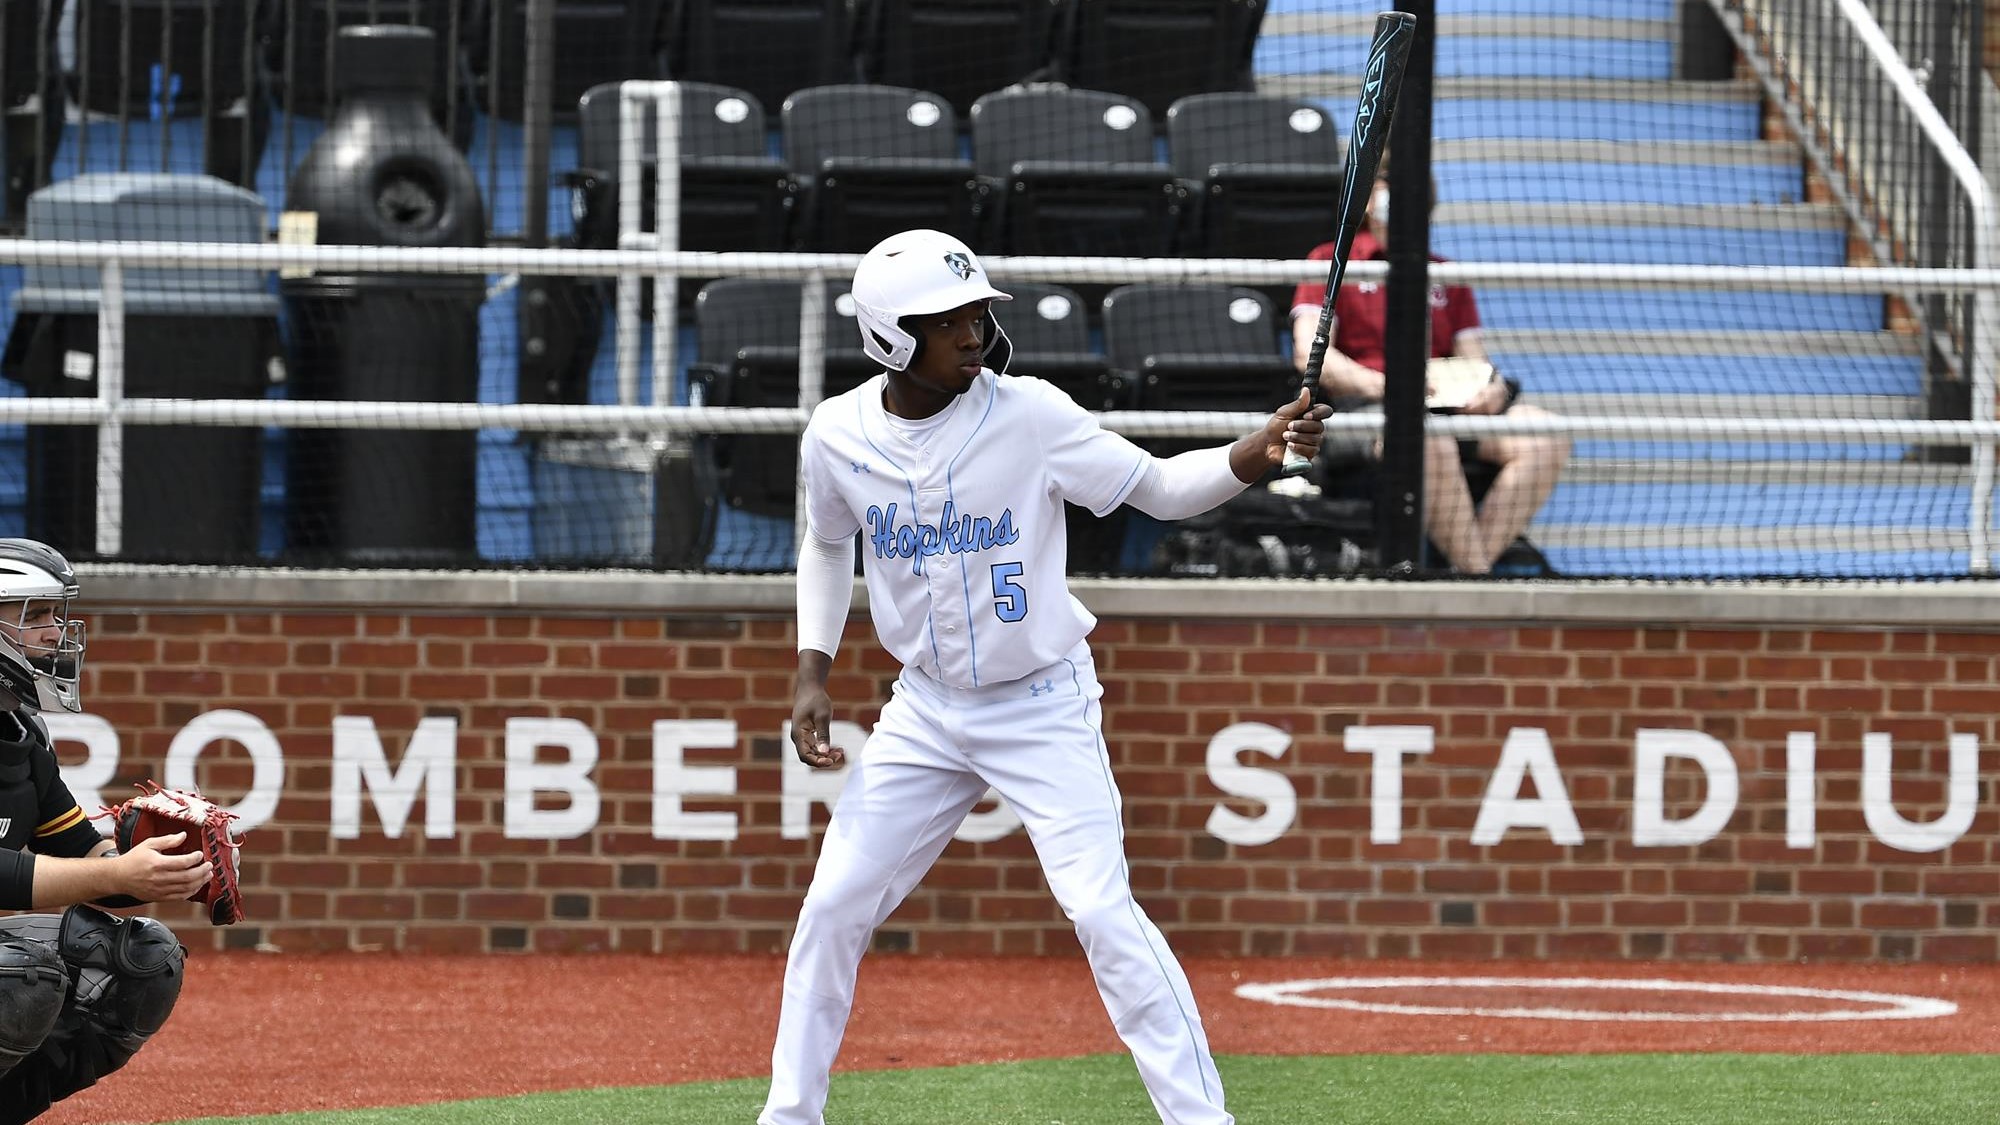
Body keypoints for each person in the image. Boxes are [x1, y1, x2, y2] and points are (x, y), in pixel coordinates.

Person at [759, 229, 1330, 1125]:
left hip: (1041, 702)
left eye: (977, 312)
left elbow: (1159, 487)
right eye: (946, 321)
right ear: (889, 338)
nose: (972, 333)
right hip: (926, 709)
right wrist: (811, 672)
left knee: (1103, 913)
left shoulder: (1028, 413)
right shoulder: (836, 434)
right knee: (831, 905)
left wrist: (1260, 448)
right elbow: (827, 545)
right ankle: (789, 1116)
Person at [0, 538, 205, 1125]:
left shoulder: (21, 729)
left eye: (55, 615)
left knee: (143, 960)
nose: (54, 632)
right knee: (22, 975)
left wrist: (165, 863)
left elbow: (82, 853)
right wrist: (113, 871)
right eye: (33, 616)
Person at [1291, 170, 1570, 575]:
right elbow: (1310, 355)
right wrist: (1391, 388)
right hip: (1364, 412)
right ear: (1367, 203)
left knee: (1547, 435)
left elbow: (1476, 360)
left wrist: (1490, 388)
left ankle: (1472, 569)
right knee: (1426, 438)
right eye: (1389, 192)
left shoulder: (1445, 273)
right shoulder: (1330, 261)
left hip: (1446, 406)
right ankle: (1477, 575)